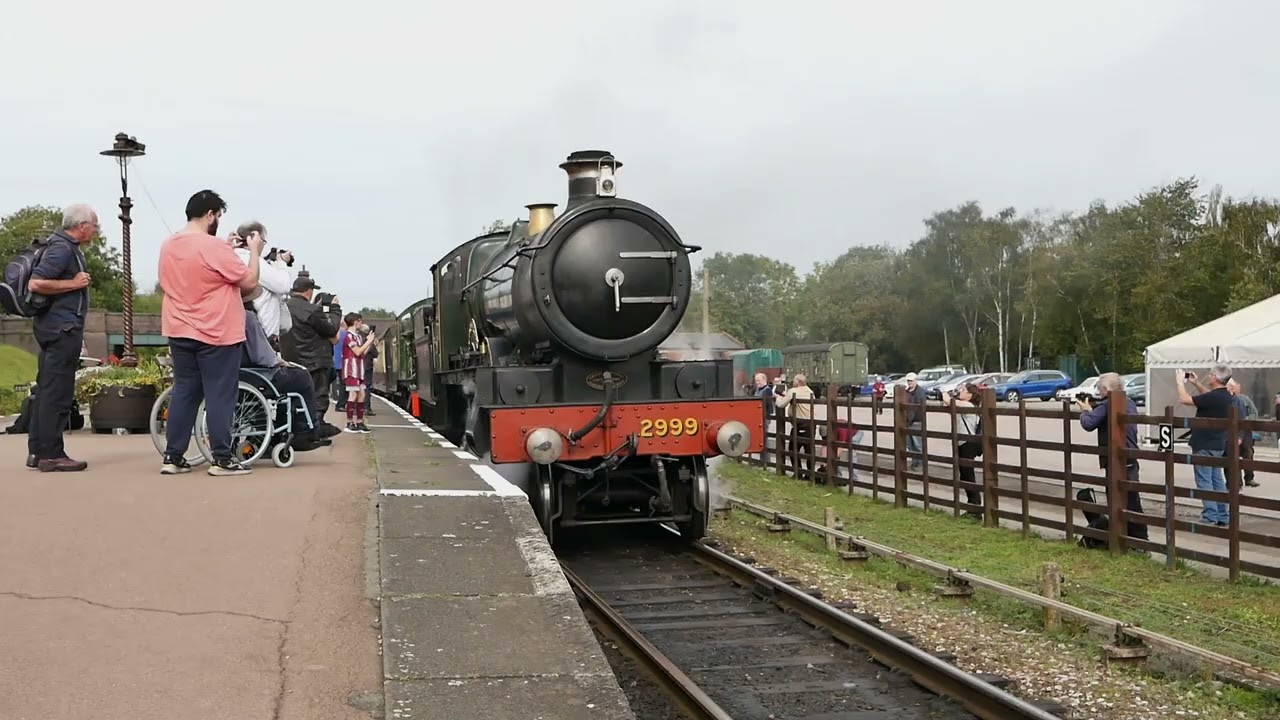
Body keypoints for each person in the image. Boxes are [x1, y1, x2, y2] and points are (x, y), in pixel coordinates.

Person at [158, 190, 262, 476]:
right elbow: (249, 281)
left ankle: (173, 456)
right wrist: (253, 252)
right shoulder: (214, 248)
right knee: (219, 395)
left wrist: (225, 248)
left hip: (179, 329)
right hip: (216, 332)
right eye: (218, 216)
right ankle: (222, 459)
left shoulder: (169, 245)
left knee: (185, 392)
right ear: (211, 214)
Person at [24, 204, 98, 472]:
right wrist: (74, 284)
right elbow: (36, 282)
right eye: (95, 225)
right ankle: (52, 454)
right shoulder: (63, 248)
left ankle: (37, 451)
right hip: (61, 329)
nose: (96, 231)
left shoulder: (62, 246)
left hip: (52, 327)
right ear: (81, 226)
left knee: (46, 390)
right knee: (57, 393)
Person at [240, 286, 333, 450]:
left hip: (239, 374)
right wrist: (278, 360)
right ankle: (307, 429)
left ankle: (276, 433)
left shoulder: (226, 316)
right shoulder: (248, 318)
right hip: (257, 375)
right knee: (302, 377)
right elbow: (262, 355)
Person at [1077, 372, 1150, 543]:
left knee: (1123, 500)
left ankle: (1134, 540)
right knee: (1130, 498)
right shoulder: (1129, 403)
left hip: (1117, 459)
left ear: (1105, 389)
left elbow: (1088, 424)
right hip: (1131, 458)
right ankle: (1133, 539)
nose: (1099, 391)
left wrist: (1086, 412)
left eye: (1100, 388)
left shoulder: (1108, 404)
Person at [1177, 365, 1233, 527]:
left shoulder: (1214, 397)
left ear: (1215, 378)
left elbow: (1185, 400)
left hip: (1204, 442)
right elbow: (1208, 397)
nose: (1208, 378)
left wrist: (1181, 383)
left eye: (1210, 375)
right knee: (1217, 480)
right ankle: (1222, 515)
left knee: (1204, 480)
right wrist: (1195, 384)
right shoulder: (1226, 396)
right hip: (1218, 443)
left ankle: (1210, 515)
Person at [284, 279, 341, 431]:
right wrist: (335, 309)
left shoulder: (284, 307)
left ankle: (298, 429)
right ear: (308, 291)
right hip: (313, 361)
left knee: (295, 398)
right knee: (318, 397)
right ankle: (314, 428)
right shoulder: (311, 311)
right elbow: (331, 330)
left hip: (290, 361)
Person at [232, 221, 294, 344]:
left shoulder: (232, 256)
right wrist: (281, 262)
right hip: (261, 336)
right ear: (255, 238)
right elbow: (283, 285)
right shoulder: (253, 260)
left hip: (238, 332)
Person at [942, 382, 984, 519]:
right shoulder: (963, 405)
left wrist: (944, 392)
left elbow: (948, 401)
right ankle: (972, 506)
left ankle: (976, 508)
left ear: (970, 395)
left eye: (964, 390)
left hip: (968, 443)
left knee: (968, 475)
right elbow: (947, 405)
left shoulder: (968, 405)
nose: (961, 391)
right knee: (965, 475)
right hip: (962, 442)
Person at [341, 313, 378, 433]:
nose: (361, 324)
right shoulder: (349, 336)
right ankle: (349, 422)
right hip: (351, 369)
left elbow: (362, 352)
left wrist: (369, 342)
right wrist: (368, 342)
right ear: (355, 322)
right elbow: (357, 352)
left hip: (359, 368)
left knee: (361, 394)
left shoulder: (358, 337)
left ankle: (360, 422)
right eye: (360, 321)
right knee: (353, 394)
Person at [775, 373, 815, 480]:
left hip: (800, 424)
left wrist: (778, 398)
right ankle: (810, 474)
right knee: (809, 451)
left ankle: (798, 473)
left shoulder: (793, 391)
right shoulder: (810, 391)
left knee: (793, 449)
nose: (792, 382)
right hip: (811, 425)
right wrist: (786, 394)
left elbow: (781, 404)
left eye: (794, 380)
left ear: (797, 382)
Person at [1228, 379, 1260, 488]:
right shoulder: (1227, 400)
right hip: (1232, 431)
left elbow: (1254, 412)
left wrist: (1244, 420)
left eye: (1235, 386)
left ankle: (1249, 478)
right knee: (1234, 456)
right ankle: (1237, 483)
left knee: (1248, 453)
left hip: (1246, 431)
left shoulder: (1244, 399)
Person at [900, 373, 927, 469]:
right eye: (908, 381)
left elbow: (917, 408)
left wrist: (910, 419)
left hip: (916, 421)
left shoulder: (920, 392)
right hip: (908, 422)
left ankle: (920, 464)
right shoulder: (906, 392)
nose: (910, 382)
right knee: (910, 445)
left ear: (916, 380)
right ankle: (914, 462)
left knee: (918, 445)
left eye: (911, 380)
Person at [362, 323, 379, 417]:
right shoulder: (368, 341)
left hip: (360, 366)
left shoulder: (359, 338)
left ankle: (360, 407)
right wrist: (373, 344)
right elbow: (375, 353)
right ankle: (366, 408)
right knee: (367, 387)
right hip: (367, 367)